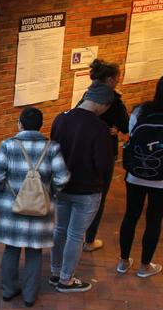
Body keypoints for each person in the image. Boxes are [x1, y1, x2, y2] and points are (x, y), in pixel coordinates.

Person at [0, 108, 71, 306]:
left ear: (20, 124)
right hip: (40, 210)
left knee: (11, 248)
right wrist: (50, 192)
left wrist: (3, 192)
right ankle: (29, 295)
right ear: (40, 125)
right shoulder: (52, 148)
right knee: (34, 252)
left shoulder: (7, 146)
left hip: (12, 209)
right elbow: (63, 177)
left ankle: (8, 290)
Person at [118, 74, 163, 277]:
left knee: (130, 216)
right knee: (153, 219)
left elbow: (132, 138)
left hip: (135, 174)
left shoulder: (141, 111)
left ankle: (123, 261)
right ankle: (144, 266)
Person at [49, 83, 116, 292]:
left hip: (62, 186)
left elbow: (52, 148)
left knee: (60, 229)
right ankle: (66, 279)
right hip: (87, 190)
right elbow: (103, 163)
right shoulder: (100, 128)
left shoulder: (61, 118)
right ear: (103, 104)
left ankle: (55, 271)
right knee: (76, 234)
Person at [80, 61, 138, 247]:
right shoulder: (113, 100)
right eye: (117, 77)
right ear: (111, 79)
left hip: (84, 151)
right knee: (99, 195)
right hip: (104, 151)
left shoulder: (87, 95)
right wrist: (112, 128)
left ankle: (74, 234)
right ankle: (89, 239)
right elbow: (126, 125)